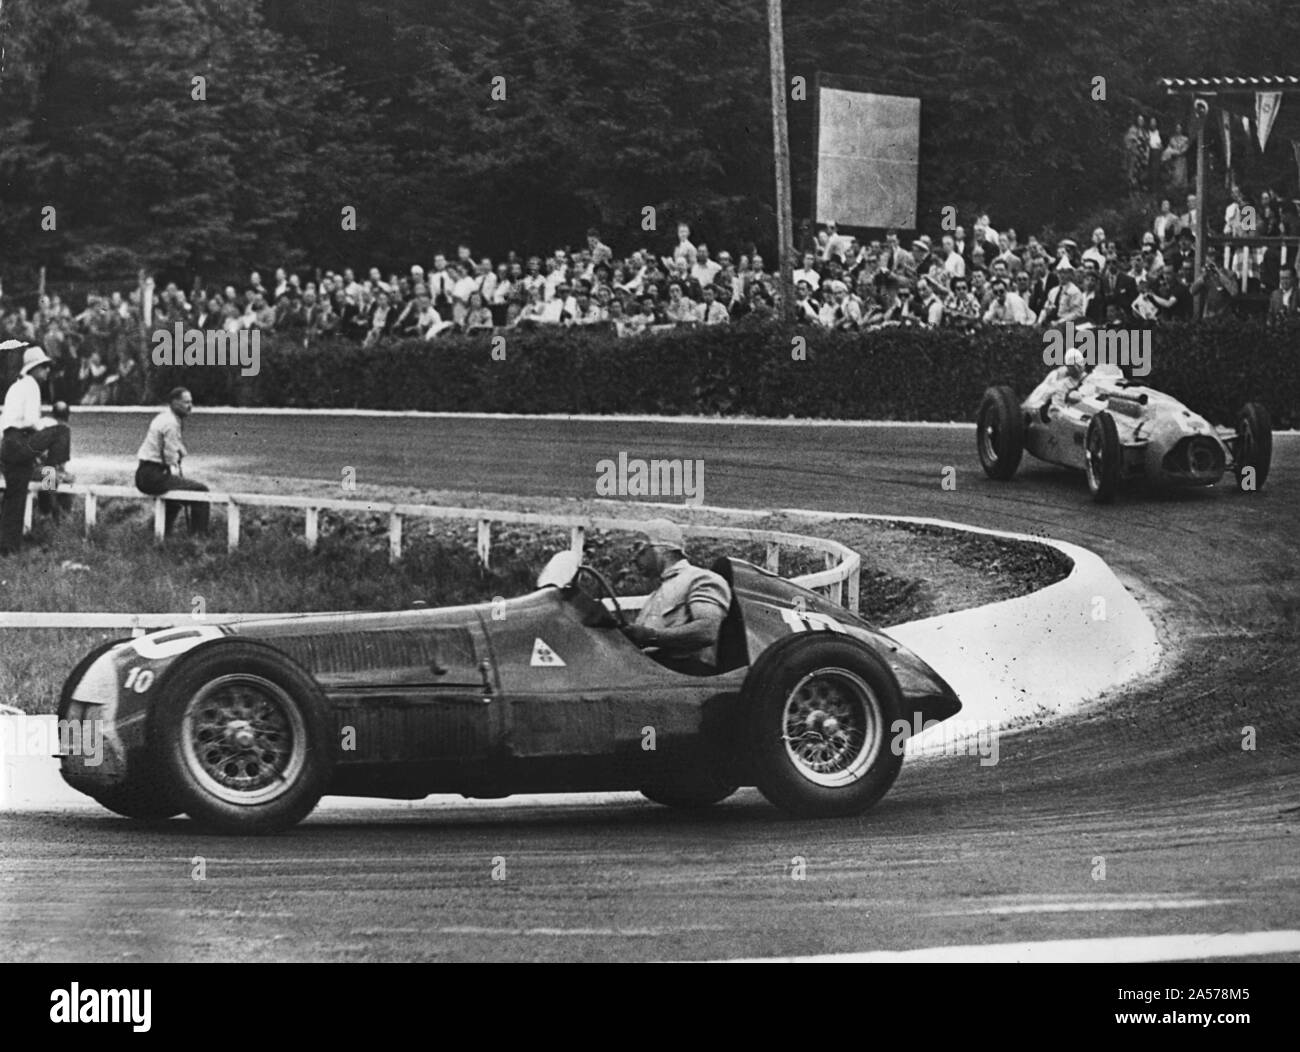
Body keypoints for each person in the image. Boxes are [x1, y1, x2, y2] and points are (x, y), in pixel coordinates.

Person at [620, 519, 732, 674]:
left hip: (683, 673)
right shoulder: (657, 594)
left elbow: (707, 631)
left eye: (640, 549)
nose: (634, 558)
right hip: (649, 672)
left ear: (662, 549)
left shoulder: (701, 579)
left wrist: (651, 636)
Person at [0, 344, 71, 555]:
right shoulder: (31, 386)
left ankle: (8, 547)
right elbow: (32, 421)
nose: (47, 371)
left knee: (16, 497)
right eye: (44, 367)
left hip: (8, 445)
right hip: (21, 441)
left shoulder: (16, 387)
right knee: (62, 432)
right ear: (33, 369)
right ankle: (52, 487)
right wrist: (45, 431)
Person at [134, 386, 210, 536]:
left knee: (174, 502)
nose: (190, 406)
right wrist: (177, 456)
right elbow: (170, 456)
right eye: (186, 402)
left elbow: (170, 447)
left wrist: (179, 451)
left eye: (191, 402)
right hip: (153, 475)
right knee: (201, 491)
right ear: (174, 403)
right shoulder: (171, 423)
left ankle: (155, 535)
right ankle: (199, 538)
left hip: (145, 473)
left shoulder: (165, 417)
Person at [1025, 348, 1089, 420]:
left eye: (1079, 365)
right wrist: (1031, 408)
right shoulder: (1058, 375)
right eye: (1073, 366)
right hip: (1049, 407)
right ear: (1067, 366)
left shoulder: (1087, 377)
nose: (1077, 369)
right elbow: (1040, 393)